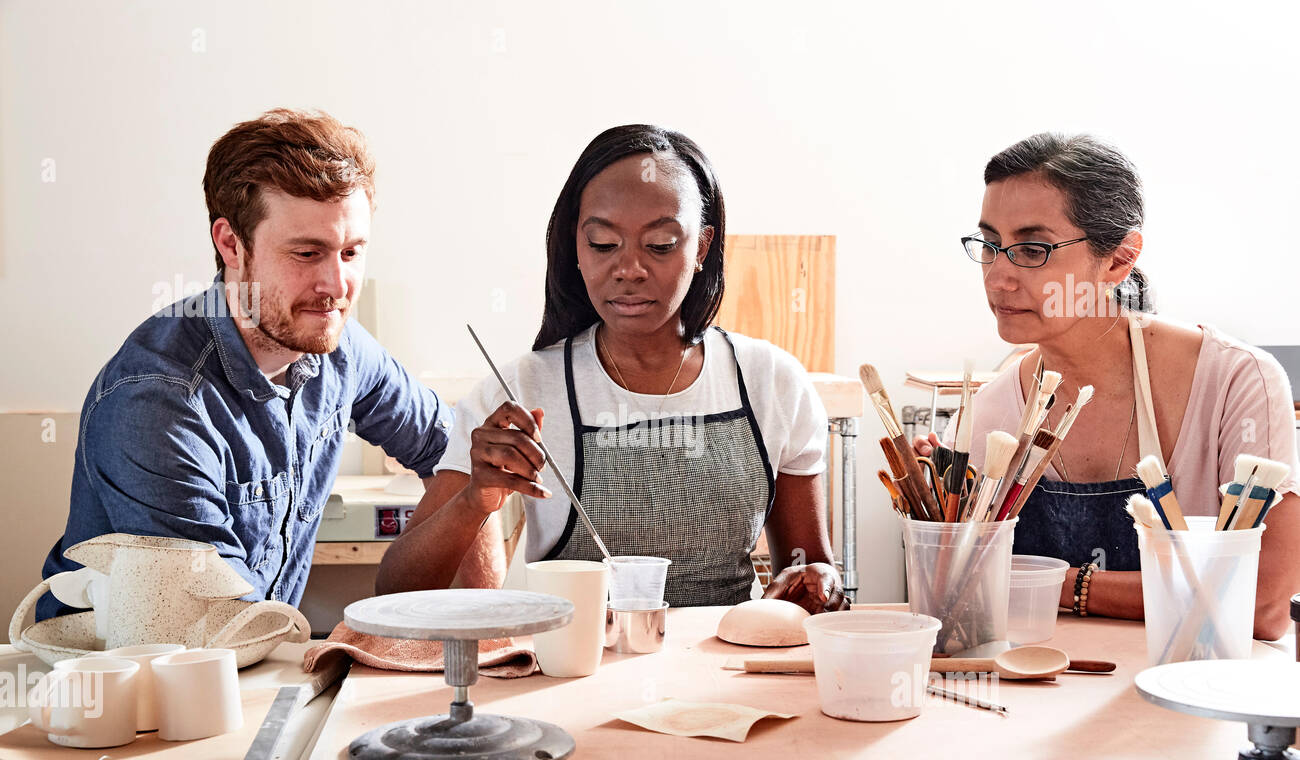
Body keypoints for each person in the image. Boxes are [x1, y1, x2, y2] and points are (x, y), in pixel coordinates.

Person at [376, 124, 845, 612]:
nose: (630, 269)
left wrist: (817, 581)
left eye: (660, 244)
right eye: (603, 244)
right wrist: (477, 498)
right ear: (575, 249)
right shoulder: (520, 390)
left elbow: (810, 567)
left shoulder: (772, 382)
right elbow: (395, 592)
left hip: (724, 671)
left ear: (702, 247)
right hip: (572, 675)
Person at [38, 109, 452, 620]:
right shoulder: (157, 401)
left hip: (246, 668)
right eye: (307, 253)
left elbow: (457, 455)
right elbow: (221, 618)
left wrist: (478, 635)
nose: (336, 286)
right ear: (231, 244)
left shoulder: (343, 350)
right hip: (123, 686)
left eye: (351, 252)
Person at [917, 132, 1300, 638]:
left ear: (1119, 260)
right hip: (1038, 690)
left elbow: (1261, 603)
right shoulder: (994, 411)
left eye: (1032, 249)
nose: (997, 277)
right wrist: (937, 527)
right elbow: (965, 599)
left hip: (1187, 696)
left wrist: (1059, 585)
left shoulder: (1235, 380)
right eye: (990, 245)